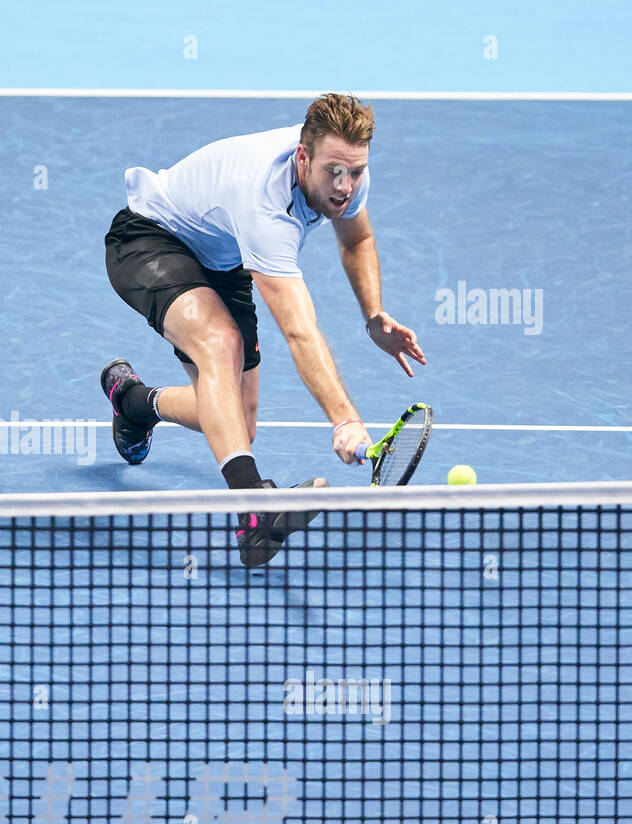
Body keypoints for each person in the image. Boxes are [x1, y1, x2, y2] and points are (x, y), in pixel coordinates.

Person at [101, 93, 426, 565]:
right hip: (149, 240)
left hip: (222, 254)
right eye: (334, 171)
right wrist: (345, 419)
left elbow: (359, 238)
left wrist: (374, 315)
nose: (345, 186)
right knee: (220, 343)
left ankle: (132, 403)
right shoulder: (264, 205)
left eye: (355, 172)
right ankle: (254, 509)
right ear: (302, 157)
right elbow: (299, 331)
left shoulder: (348, 169)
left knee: (238, 424)